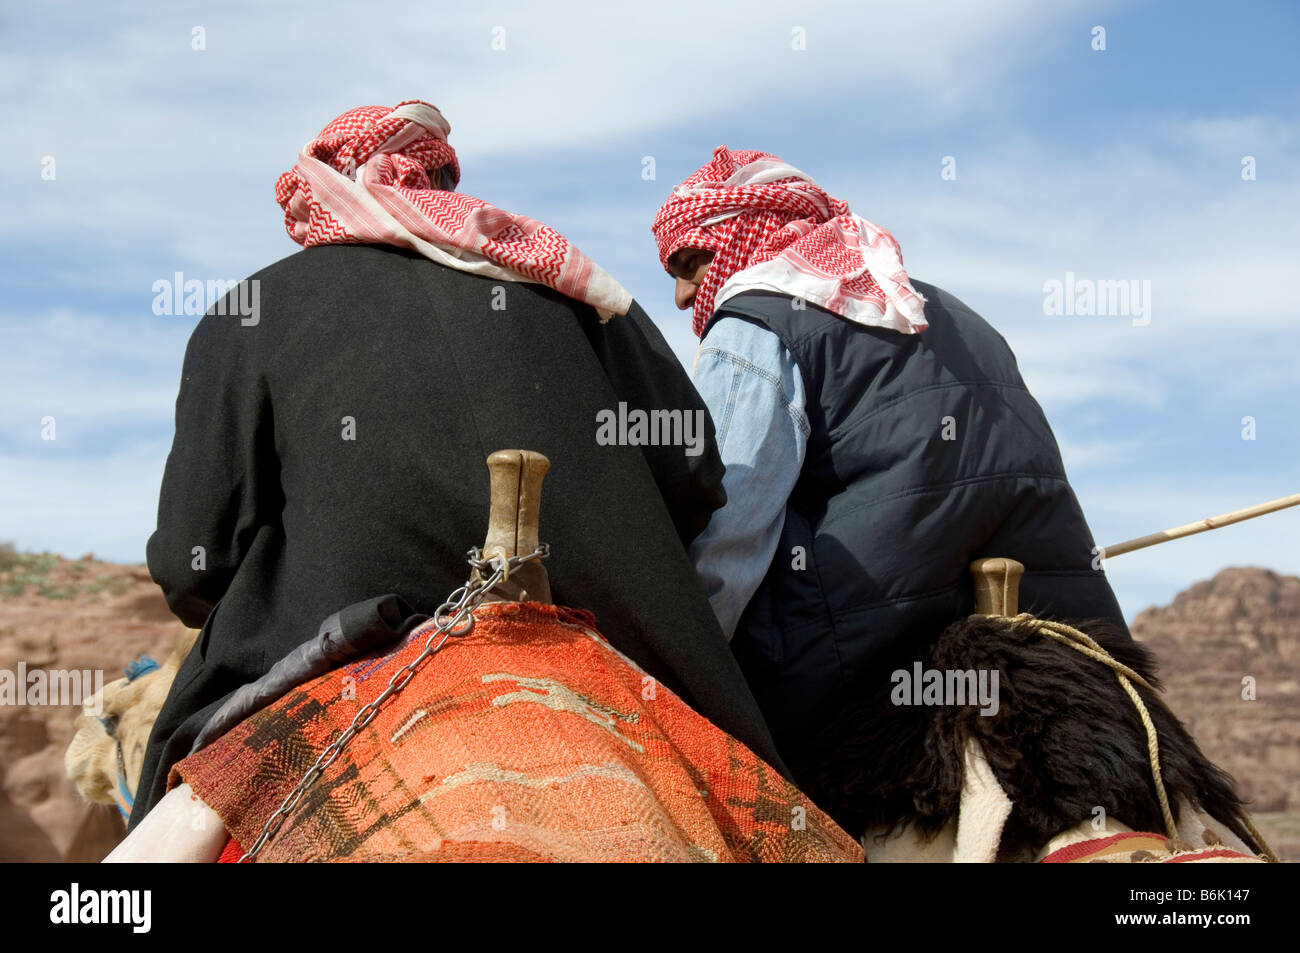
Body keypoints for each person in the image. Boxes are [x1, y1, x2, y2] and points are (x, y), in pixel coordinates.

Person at [129, 104, 787, 831]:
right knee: (780, 823)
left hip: (334, 643)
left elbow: (192, 566)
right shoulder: (567, 281)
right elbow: (695, 475)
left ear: (318, 191)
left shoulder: (248, 312)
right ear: (440, 179)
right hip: (619, 637)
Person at [650, 145, 1130, 786]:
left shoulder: (754, 322)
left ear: (746, 235)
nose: (682, 295)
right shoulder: (953, 313)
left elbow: (727, 527)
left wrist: (677, 672)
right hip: (1065, 642)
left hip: (862, 674)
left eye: (690, 262)